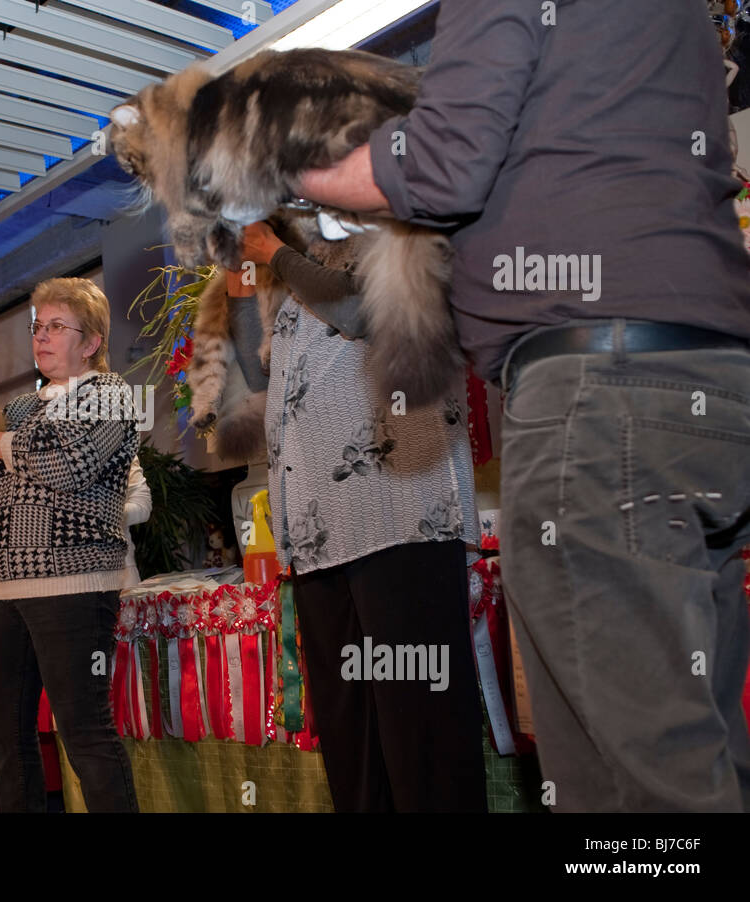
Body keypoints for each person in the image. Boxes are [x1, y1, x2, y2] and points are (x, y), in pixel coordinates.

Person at [297, 0, 750, 811]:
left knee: (628, 781)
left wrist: (264, 164)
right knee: (691, 746)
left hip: (599, 390)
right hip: (700, 383)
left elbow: (443, 163)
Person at [232, 221, 486, 811]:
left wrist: (276, 254)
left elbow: (363, 312)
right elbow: (256, 372)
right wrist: (242, 281)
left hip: (398, 518)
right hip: (321, 535)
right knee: (354, 737)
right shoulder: (299, 260)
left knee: (421, 728)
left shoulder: (395, 227)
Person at [0, 277, 140, 813]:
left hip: (74, 586)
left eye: (57, 326)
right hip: (0, 592)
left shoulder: (113, 394)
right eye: (37, 326)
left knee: (84, 734)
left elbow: (68, 465)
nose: (42, 336)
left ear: (91, 341)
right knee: (5, 736)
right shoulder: (15, 409)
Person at [122, 458, 152, 588]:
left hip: (121, 569)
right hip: (55, 578)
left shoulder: (120, 446)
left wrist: (99, 513)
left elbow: (142, 507)